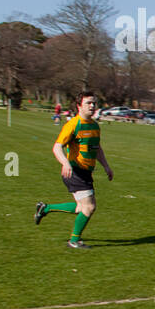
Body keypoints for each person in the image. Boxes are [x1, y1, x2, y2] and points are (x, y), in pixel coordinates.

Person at [34, 91, 114, 248]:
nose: (92, 106)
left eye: (94, 103)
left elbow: (97, 148)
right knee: (89, 207)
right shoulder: (73, 125)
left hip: (86, 172)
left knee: (81, 208)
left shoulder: (95, 126)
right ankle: (74, 240)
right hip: (74, 172)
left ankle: (46, 208)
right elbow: (57, 147)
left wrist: (106, 166)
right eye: (88, 103)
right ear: (79, 106)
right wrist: (65, 163)